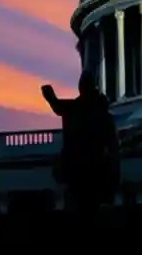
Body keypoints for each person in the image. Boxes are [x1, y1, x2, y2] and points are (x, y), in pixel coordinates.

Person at [42, 71, 119, 221]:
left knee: (80, 212)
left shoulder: (76, 108)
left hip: (80, 169)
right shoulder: (101, 113)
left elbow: (58, 107)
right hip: (95, 169)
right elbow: (113, 145)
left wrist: (50, 96)